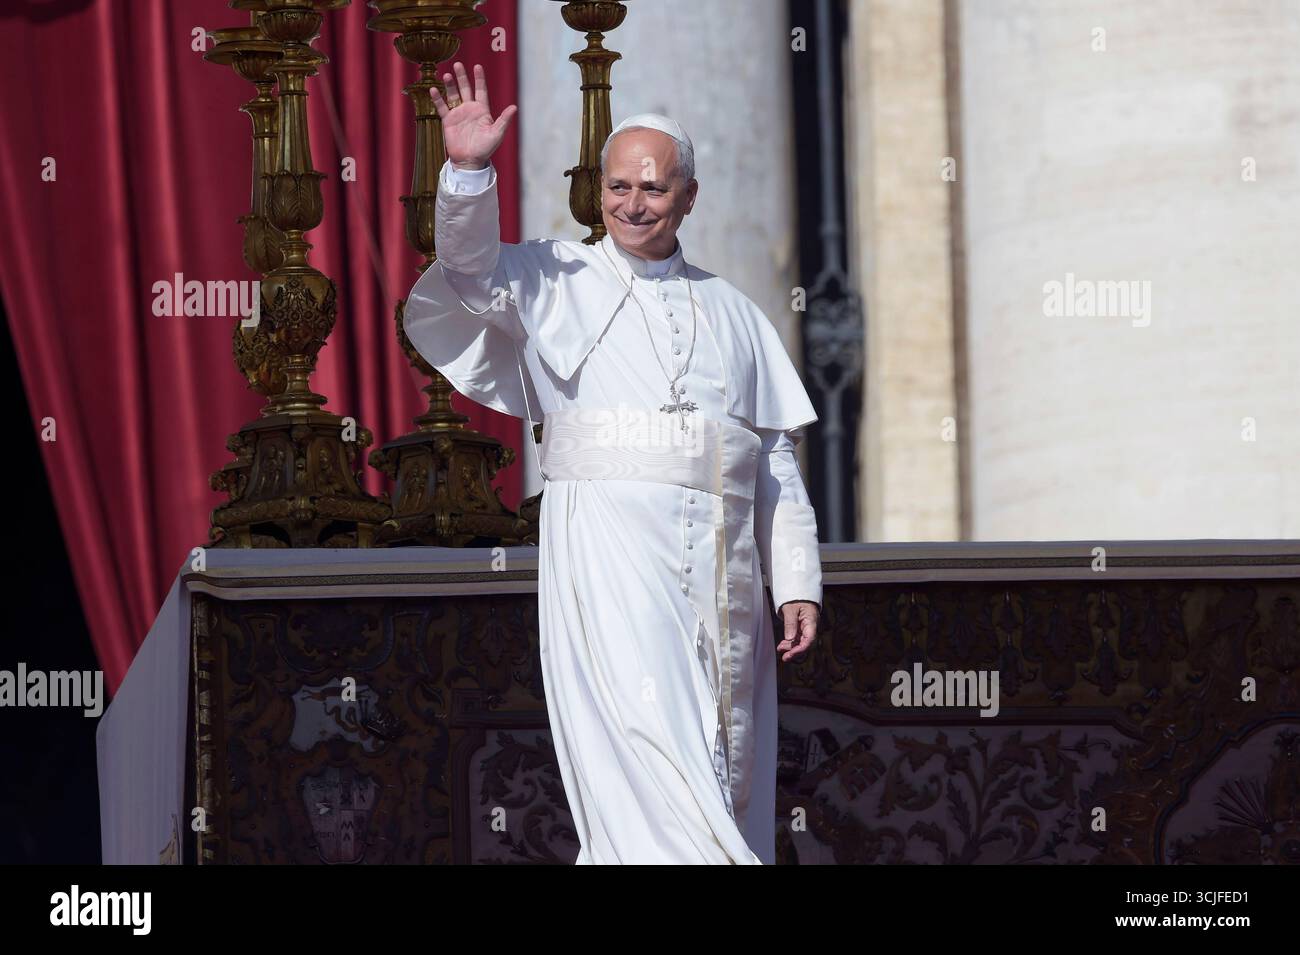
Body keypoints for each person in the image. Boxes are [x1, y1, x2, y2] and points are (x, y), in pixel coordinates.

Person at [403, 62, 823, 864]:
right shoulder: (554, 275)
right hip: (611, 548)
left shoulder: (733, 310)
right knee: (644, 742)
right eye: (619, 186)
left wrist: (796, 576)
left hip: (723, 568)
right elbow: (465, 270)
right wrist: (467, 171)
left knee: (716, 758)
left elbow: (773, 453)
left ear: (689, 198)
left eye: (654, 189)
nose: (633, 205)